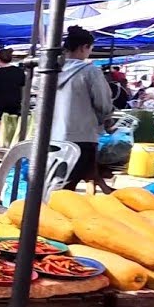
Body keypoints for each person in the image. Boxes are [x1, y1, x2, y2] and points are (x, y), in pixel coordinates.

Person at [44, 26, 113, 191]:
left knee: (58, 180)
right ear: (84, 47)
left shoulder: (49, 70)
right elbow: (103, 103)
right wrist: (107, 118)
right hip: (82, 136)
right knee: (67, 187)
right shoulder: (90, 71)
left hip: (52, 136)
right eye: (90, 49)